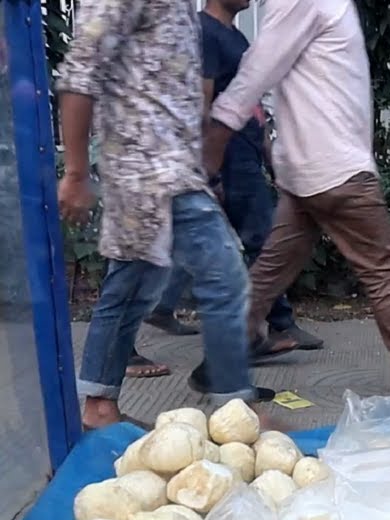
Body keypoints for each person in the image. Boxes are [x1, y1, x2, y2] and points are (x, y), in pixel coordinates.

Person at [203, 0, 390, 405]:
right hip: (338, 171)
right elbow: (254, 72)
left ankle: (220, 365)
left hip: (310, 172)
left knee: (269, 274)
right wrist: (215, 144)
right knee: (384, 272)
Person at [58, 0, 272, 430]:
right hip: (147, 170)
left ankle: (99, 406)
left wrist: (204, 169)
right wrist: (76, 172)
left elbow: (176, 90)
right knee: (225, 278)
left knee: (131, 287)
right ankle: (236, 414)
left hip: (173, 170)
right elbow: (80, 74)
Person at [128, 0, 322, 380]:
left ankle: (164, 308)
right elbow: (202, 103)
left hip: (244, 150)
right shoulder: (204, 33)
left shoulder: (235, 36)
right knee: (260, 238)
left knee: (195, 242)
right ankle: (275, 324)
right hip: (226, 156)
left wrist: (269, 154)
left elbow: (251, 104)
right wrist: (209, 170)